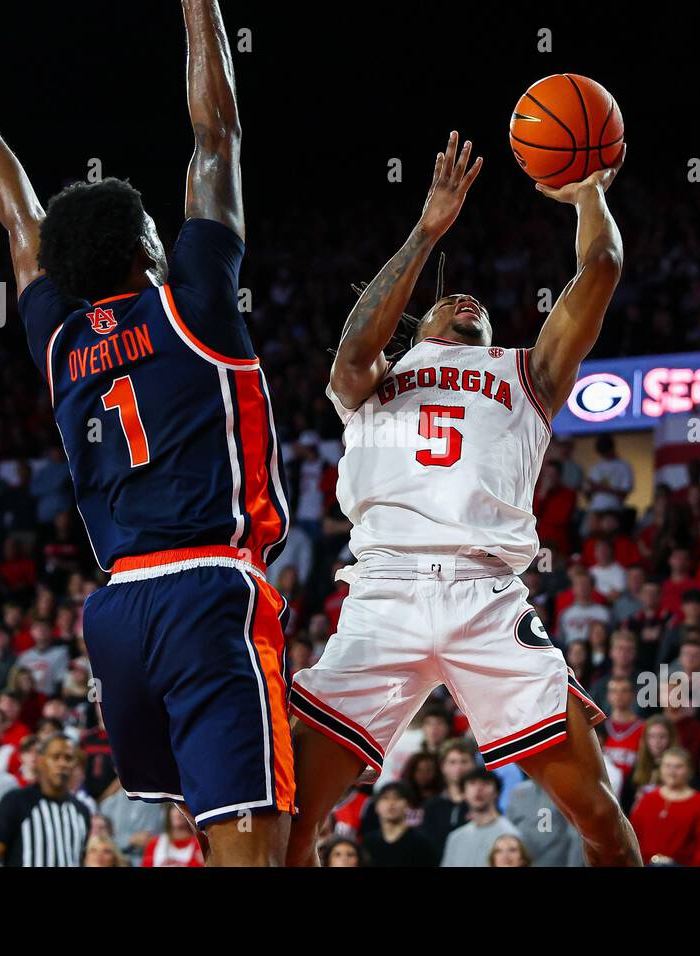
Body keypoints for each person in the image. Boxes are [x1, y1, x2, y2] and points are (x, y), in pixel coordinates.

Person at [0, 2, 292, 866]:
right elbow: (215, 135)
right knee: (252, 848)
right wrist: (199, 10)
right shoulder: (192, 303)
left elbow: (17, 224)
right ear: (151, 245)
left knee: (217, 831)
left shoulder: (60, 339)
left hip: (115, 616)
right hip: (206, 589)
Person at [286, 131, 638, 867]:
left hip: (487, 596)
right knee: (293, 819)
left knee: (599, 814)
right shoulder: (375, 379)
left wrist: (588, 193)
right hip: (383, 597)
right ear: (418, 327)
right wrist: (426, 230)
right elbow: (353, 348)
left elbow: (601, 267)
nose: (465, 300)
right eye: (447, 302)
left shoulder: (527, 373)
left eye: (472, 303)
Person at [0, 736, 91, 867]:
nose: (62, 764)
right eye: (56, 757)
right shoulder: (16, 801)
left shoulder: (81, 811)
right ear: (41, 761)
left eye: (68, 758)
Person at [628, 747, 700, 867]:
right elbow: (632, 836)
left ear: (689, 770)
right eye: (667, 766)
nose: (672, 772)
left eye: (678, 767)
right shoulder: (647, 799)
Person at [439, 769, 521, 868]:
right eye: (472, 783)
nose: (478, 789)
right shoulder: (455, 838)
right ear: (463, 793)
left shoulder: (511, 835)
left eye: (486, 783)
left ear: (497, 793)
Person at [364, 782, 437, 867]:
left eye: (397, 798)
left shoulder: (421, 844)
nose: (391, 803)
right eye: (385, 798)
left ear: (409, 805)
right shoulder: (368, 842)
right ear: (376, 806)